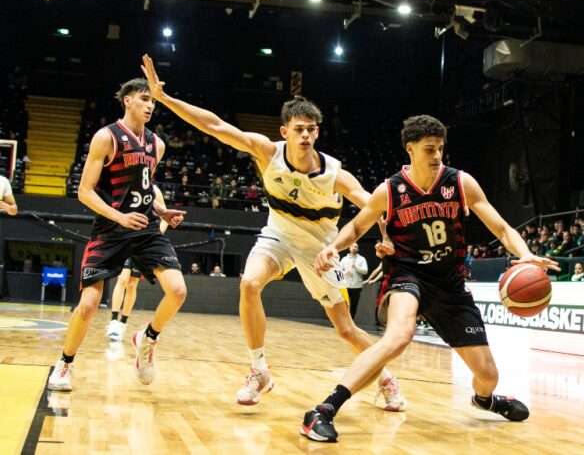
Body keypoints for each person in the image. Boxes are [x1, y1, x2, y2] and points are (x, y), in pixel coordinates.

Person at [141, 54, 405, 410]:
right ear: (285, 132)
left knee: (345, 330)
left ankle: (385, 377)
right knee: (249, 284)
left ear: (318, 132)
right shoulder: (268, 153)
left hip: (320, 250)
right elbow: (215, 126)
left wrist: (387, 237)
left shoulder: (335, 174)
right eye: (299, 129)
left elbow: (371, 204)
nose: (306, 135)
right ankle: (258, 370)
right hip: (278, 236)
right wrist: (165, 99)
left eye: (312, 129)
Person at [303, 115, 558, 442]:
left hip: (450, 284)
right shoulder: (391, 189)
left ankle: (485, 399)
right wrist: (332, 247)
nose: (437, 156)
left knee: (488, 375)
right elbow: (357, 226)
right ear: (410, 149)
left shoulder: (461, 183)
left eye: (440, 148)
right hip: (408, 275)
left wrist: (524, 254)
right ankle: (323, 410)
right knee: (399, 336)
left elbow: (502, 227)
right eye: (429, 149)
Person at [47, 78, 187, 392]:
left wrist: (161, 211)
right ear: (127, 101)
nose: (150, 105)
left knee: (177, 291)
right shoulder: (106, 137)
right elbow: (84, 192)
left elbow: (146, 185)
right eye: (144, 99)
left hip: (145, 228)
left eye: (153, 101)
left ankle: (147, 340)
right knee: (89, 304)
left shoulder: (157, 144)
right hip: (111, 229)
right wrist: (120, 217)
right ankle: (65, 364)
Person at [106, 185, 170, 342]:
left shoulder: (155, 190)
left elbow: (165, 218)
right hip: (126, 239)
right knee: (122, 279)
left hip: (145, 241)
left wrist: (155, 236)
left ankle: (123, 323)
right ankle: (114, 320)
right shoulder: (129, 184)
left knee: (133, 284)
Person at [340, 243, 368, 319]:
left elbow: (365, 271)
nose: (354, 248)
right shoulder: (344, 259)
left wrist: (356, 267)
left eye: (356, 247)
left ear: (358, 249)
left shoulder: (362, 259)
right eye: (352, 246)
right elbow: (338, 271)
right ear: (349, 248)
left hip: (356, 286)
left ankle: (351, 321)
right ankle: (342, 321)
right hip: (345, 285)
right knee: (343, 304)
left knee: (354, 305)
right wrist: (345, 272)